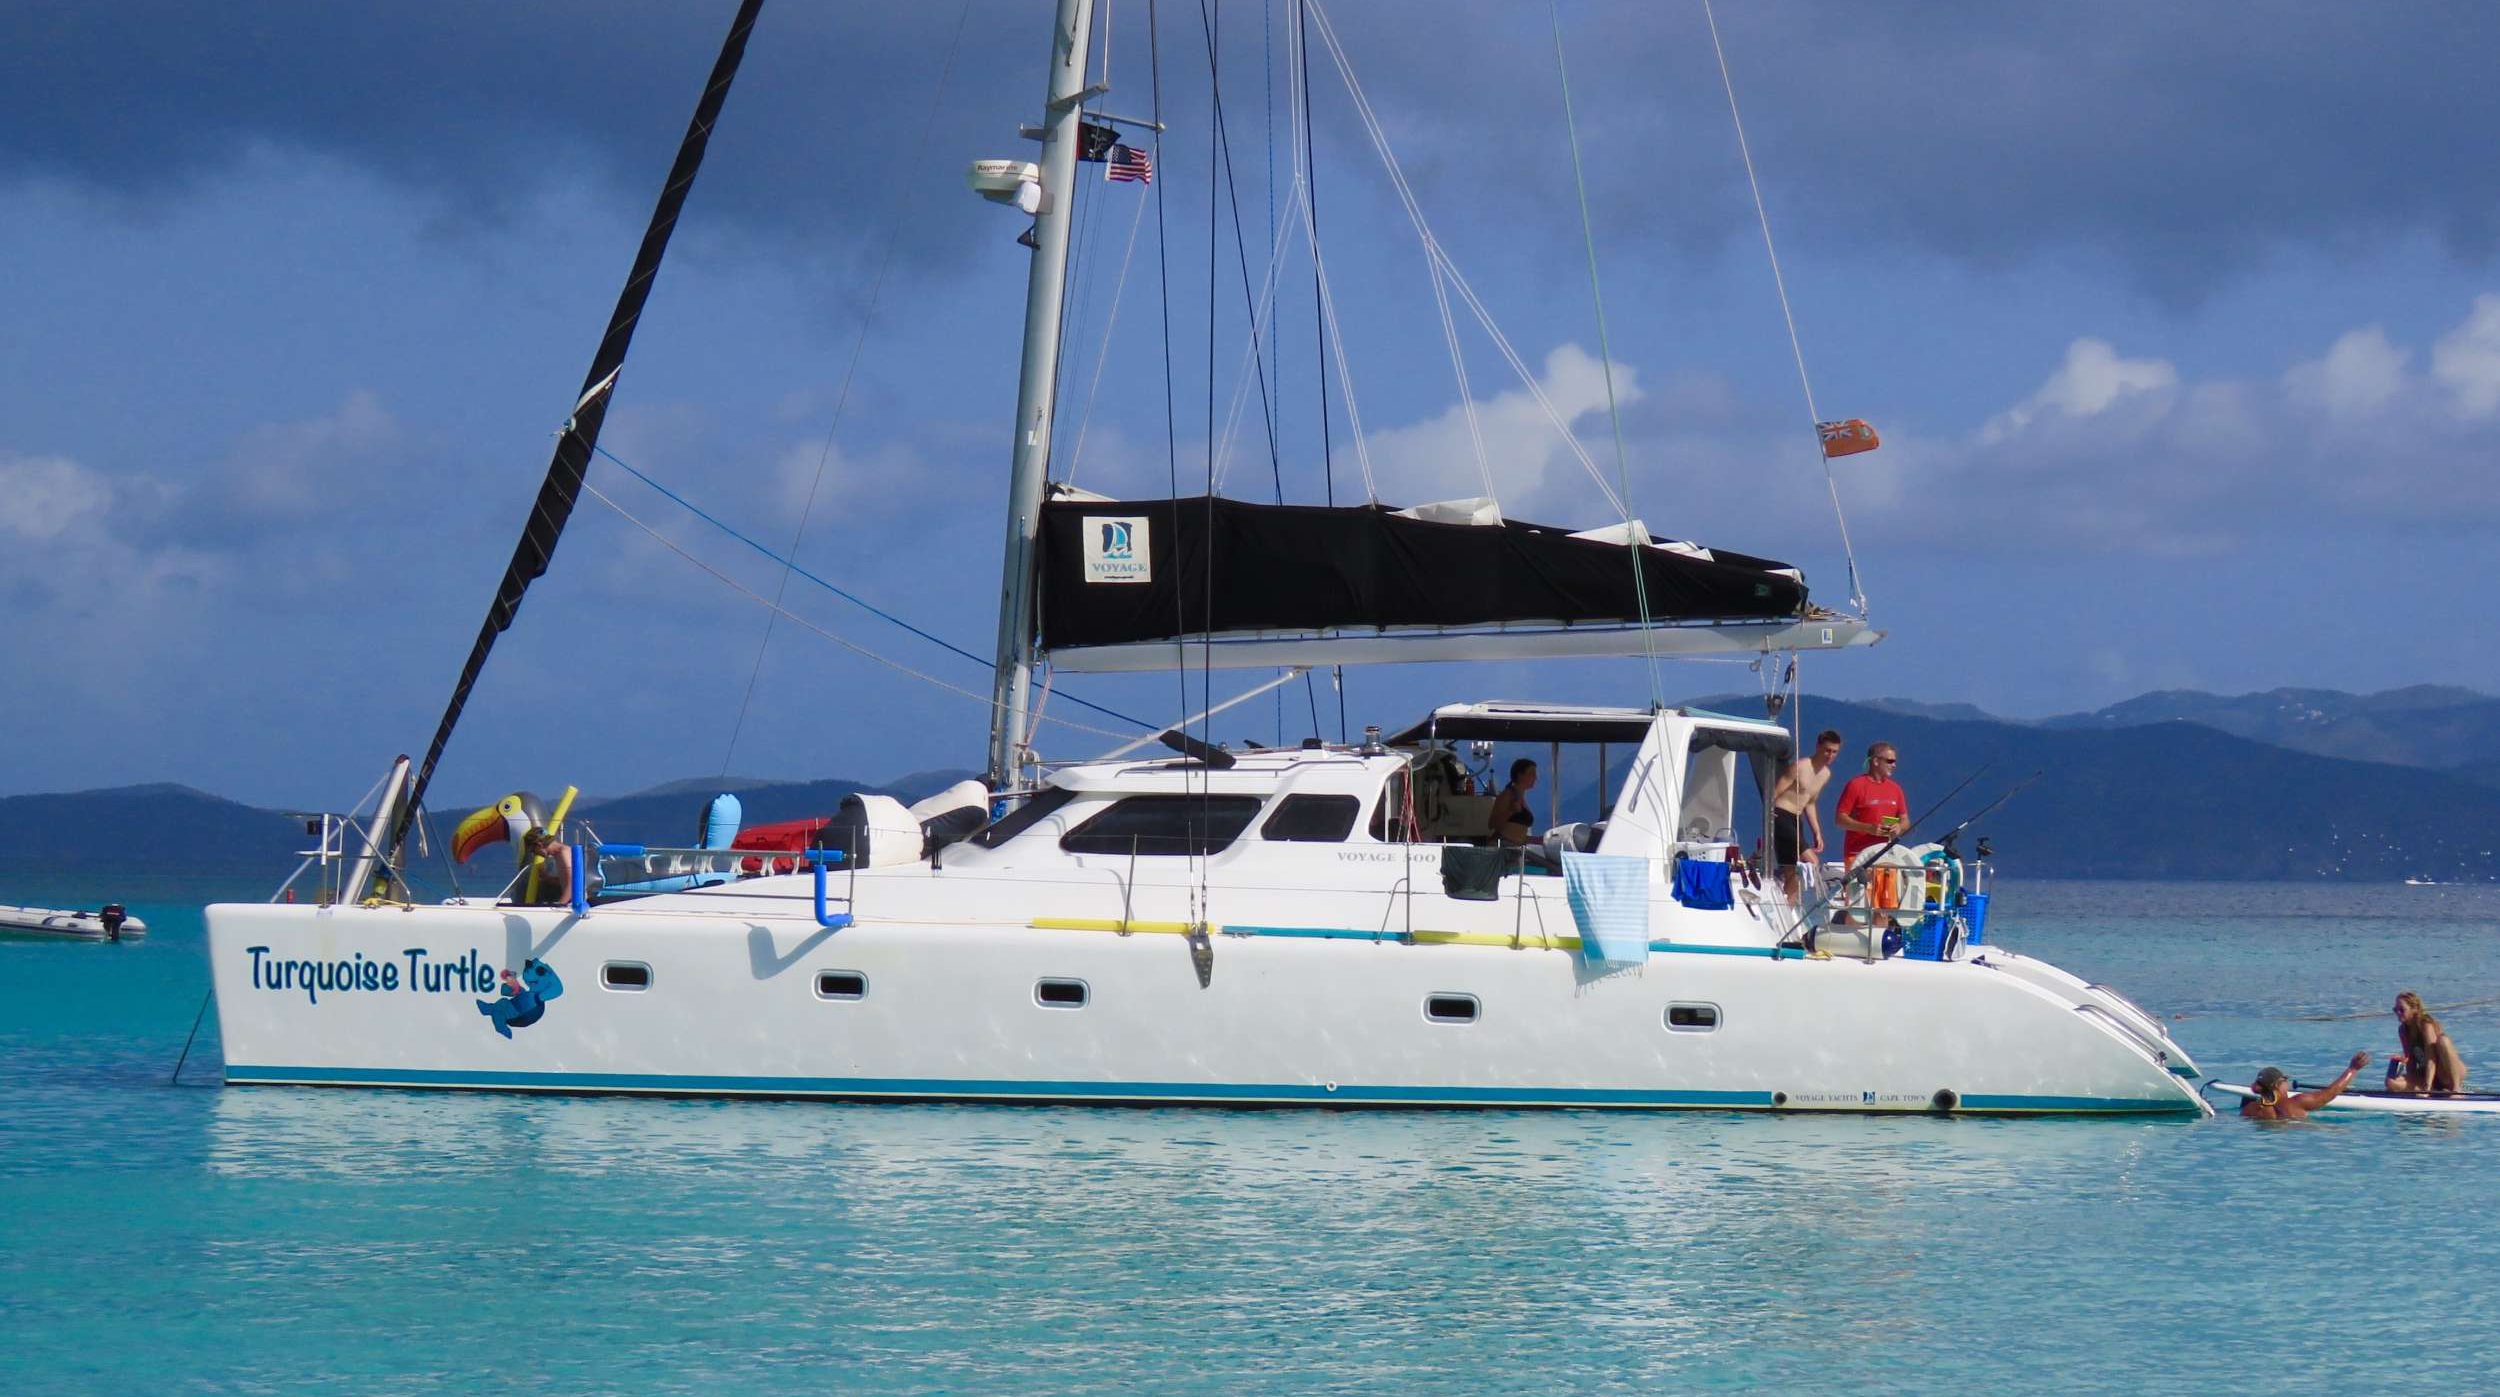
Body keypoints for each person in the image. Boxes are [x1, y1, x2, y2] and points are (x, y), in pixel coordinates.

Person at [1770, 729, 1843, 900]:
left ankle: (1789, 907)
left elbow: (1810, 802)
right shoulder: (1800, 766)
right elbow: (1774, 793)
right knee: (1812, 861)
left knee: (1791, 871)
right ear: (1818, 747)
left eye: (1834, 752)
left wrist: (1817, 832)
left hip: (1797, 820)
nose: (1830, 755)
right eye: (1827, 750)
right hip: (1781, 816)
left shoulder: (1825, 774)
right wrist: (1768, 814)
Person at [2241, 1053, 2371, 1120]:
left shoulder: (2249, 1109)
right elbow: (2329, 1094)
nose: (2287, 1084)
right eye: (2285, 1081)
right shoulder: (2297, 1102)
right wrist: (2353, 1069)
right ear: (2277, 1085)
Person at [2389, 991, 2469, 1094]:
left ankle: (2456, 1089)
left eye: (2402, 1010)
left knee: (2443, 1041)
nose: (2398, 1013)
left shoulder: (2426, 1025)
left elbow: (2431, 1059)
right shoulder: (2403, 1030)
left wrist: (2426, 1089)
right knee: (2392, 1083)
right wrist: (2410, 1085)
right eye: (2395, 1010)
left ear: (2414, 1010)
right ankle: (2436, 1089)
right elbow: (2410, 1061)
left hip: (2446, 1073)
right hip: (2429, 1076)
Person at [1487, 758, 1538, 849]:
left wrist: (1538, 840)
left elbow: (1516, 833)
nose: (1535, 778)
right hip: (1503, 847)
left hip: (1515, 847)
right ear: (1520, 775)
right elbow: (1492, 824)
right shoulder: (1507, 795)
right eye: (1531, 774)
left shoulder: (1521, 798)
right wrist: (1510, 811)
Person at [521, 826, 573, 904]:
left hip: (574, 904)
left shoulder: (563, 853)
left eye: (533, 851)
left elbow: (572, 883)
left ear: (539, 845)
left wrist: (560, 905)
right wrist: (547, 878)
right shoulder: (558, 855)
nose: (535, 854)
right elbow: (565, 881)